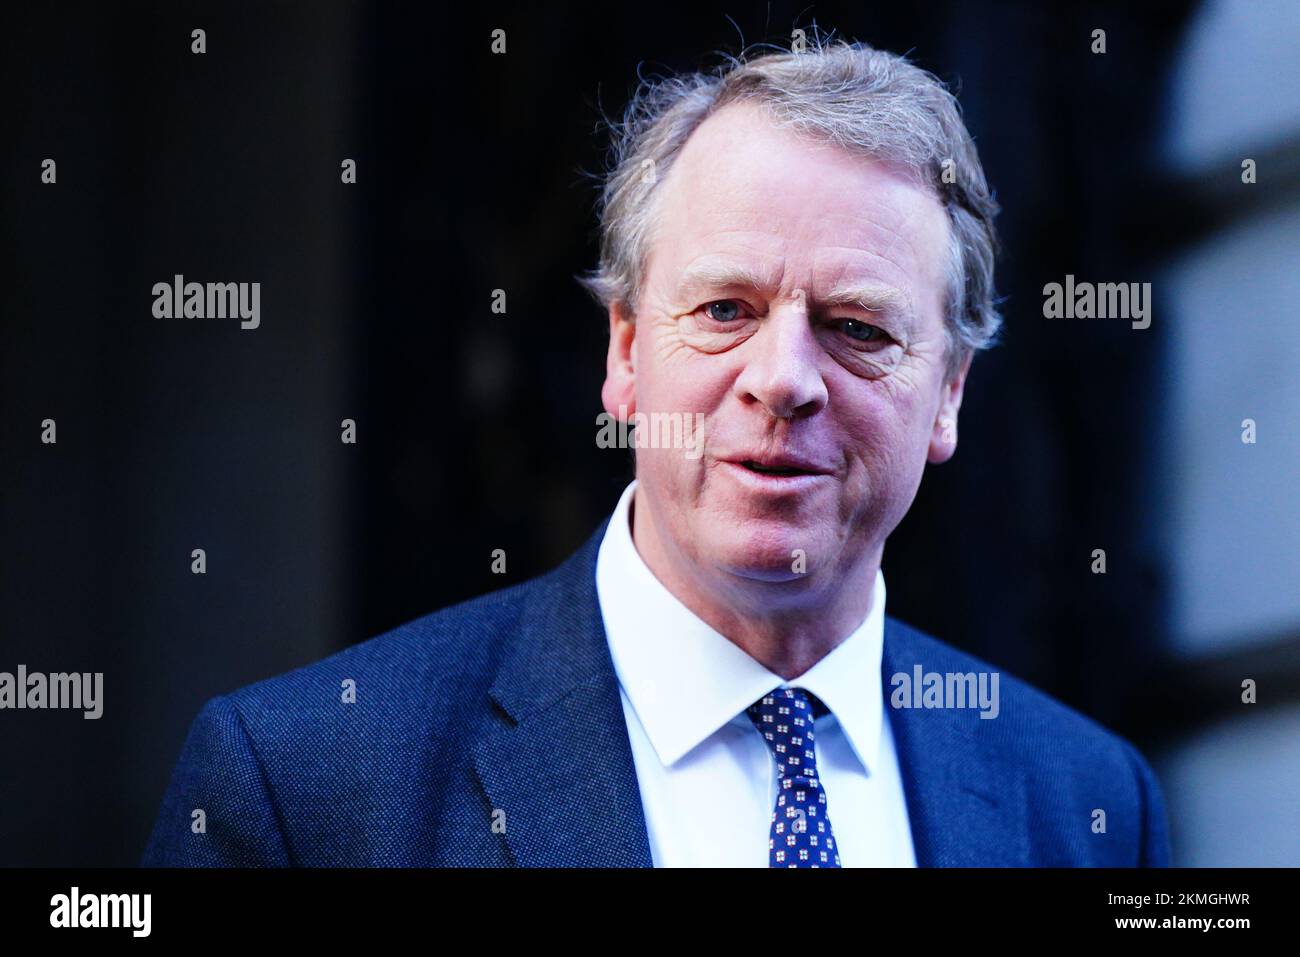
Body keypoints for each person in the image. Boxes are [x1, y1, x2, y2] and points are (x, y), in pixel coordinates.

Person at [142, 37, 1170, 867]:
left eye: (859, 327)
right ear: (625, 354)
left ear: (947, 393)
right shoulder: (306, 785)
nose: (786, 379)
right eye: (725, 310)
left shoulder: (1087, 806)